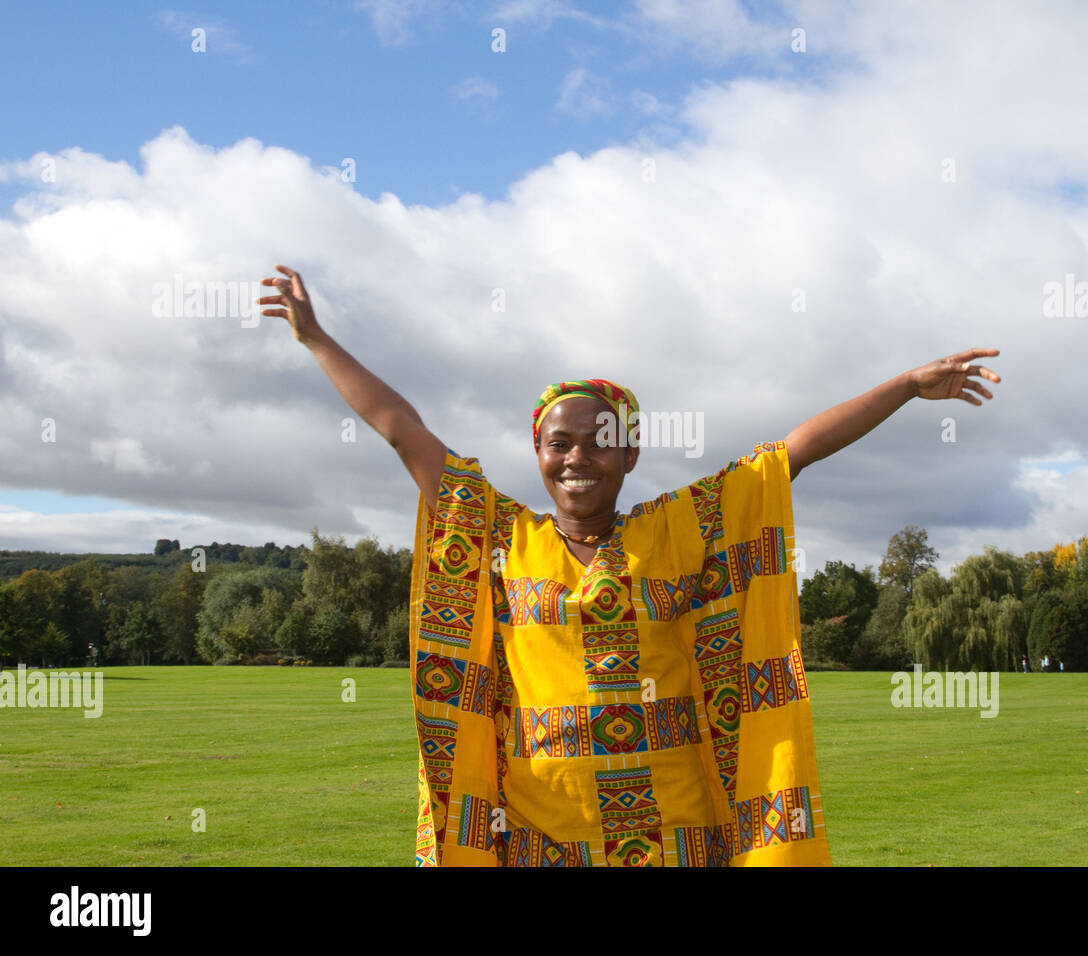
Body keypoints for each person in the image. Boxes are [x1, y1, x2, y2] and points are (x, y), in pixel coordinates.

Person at [261, 264, 1002, 866]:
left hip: (679, 837)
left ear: (630, 454)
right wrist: (316, 339)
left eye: (598, 440)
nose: (577, 455)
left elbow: (792, 453)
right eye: (559, 442)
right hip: (538, 838)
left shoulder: (680, 531)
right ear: (539, 454)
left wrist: (905, 388)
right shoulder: (499, 536)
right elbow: (403, 431)